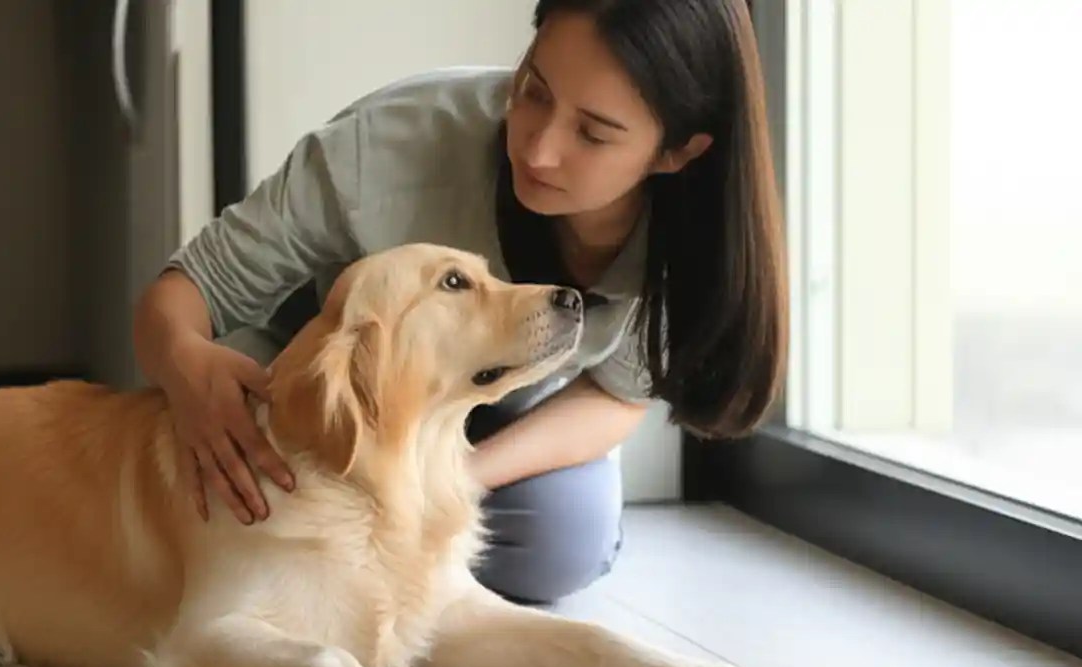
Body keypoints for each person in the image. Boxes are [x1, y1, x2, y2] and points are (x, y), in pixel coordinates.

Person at [132, 0, 786, 605]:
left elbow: (616, 397)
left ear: (677, 151)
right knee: (227, 495)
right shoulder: (390, 147)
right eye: (534, 90)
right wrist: (183, 360)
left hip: (493, 412)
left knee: (555, 550)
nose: (538, 148)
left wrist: (452, 481)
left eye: (592, 133)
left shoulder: (694, 240)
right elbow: (187, 291)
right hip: (324, 378)